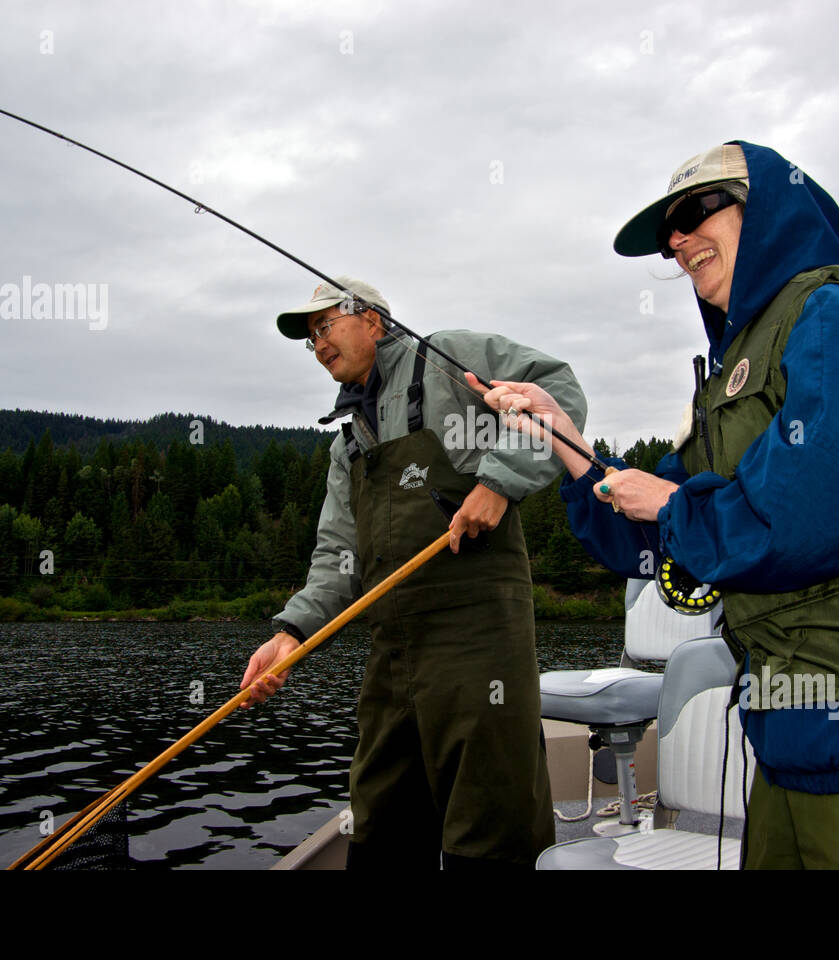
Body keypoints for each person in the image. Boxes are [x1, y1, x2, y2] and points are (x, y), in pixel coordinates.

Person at [469, 142, 839, 869]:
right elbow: (659, 539)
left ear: (767, 214)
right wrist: (563, 439)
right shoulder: (727, 382)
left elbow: (820, 509)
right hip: (795, 733)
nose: (677, 241)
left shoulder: (834, 315)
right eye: (669, 234)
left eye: (695, 213)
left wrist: (669, 504)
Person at [239, 277, 587, 869]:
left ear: (372, 320)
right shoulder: (345, 442)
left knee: (491, 817)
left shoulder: (448, 357)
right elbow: (336, 555)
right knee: (381, 815)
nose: (318, 344)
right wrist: (289, 635)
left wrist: (499, 482)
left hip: (479, 631)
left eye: (324, 326)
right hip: (393, 645)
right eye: (309, 339)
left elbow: (557, 390)